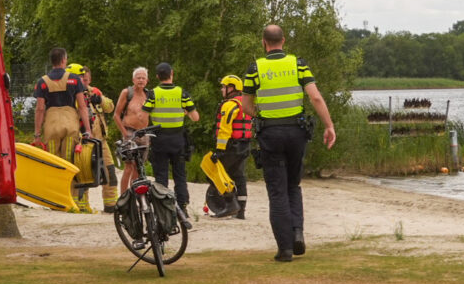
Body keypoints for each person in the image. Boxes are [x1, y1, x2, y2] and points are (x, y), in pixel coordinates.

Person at [241, 24, 336, 262]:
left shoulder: (255, 68)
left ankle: (284, 249)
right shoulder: (298, 64)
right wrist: (329, 126)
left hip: (270, 133)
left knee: (277, 191)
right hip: (296, 132)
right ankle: (297, 233)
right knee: (293, 185)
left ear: (264, 42)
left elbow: (245, 105)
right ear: (283, 41)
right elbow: (315, 96)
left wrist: (260, 116)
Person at [32, 48, 93, 210]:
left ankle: (54, 200)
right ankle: (70, 200)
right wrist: (88, 129)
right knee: (69, 162)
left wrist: (37, 134)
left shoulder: (42, 81)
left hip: (51, 125)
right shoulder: (74, 79)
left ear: (52, 61)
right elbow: (82, 107)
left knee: (53, 162)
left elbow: (39, 109)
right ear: (64, 60)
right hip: (70, 123)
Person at [142, 62, 199, 225]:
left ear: (158, 77)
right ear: (172, 74)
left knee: (161, 177)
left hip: (159, 140)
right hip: (178, 141)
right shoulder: (182, 93)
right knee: (180, 176)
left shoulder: (153, 94)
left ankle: (163, 210)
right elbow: (196, 118)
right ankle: (183, 208)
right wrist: (185, 111)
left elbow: (144, 116)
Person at [72, 64, 119, 213]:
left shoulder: (95, 92)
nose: (83, 83)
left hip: (101, 141)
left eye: (86, 80)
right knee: (84, 173)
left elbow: (110, 107)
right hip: (83, 141)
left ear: (90, 79)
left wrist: (100, 100)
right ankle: (82, 206)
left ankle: (111, 205)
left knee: (109, 172)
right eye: (81, 80)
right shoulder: (72, 94)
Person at [208, 74, 253, 219]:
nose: (222, 90)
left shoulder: (229, 105)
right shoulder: (247, 104)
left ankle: (229, 205)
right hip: (245, 146)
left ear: (231, 88)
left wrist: (219, 151)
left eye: (224, 87)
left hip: (231, 147)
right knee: (239, 176)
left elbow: (225, 129)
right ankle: (241, 211)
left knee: (219, 175)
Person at [113, 67, 151, 194]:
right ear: (133, 79)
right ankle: (123, 198)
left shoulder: (149, 95)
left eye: (143, 78)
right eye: (138, 77)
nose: (141, 80)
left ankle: (134, 197)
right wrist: (125, 133)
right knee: (129, 166)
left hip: (144, 134)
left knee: (138, 168)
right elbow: (116, 115)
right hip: (129, 132)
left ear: (147, 80)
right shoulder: (127, 93)